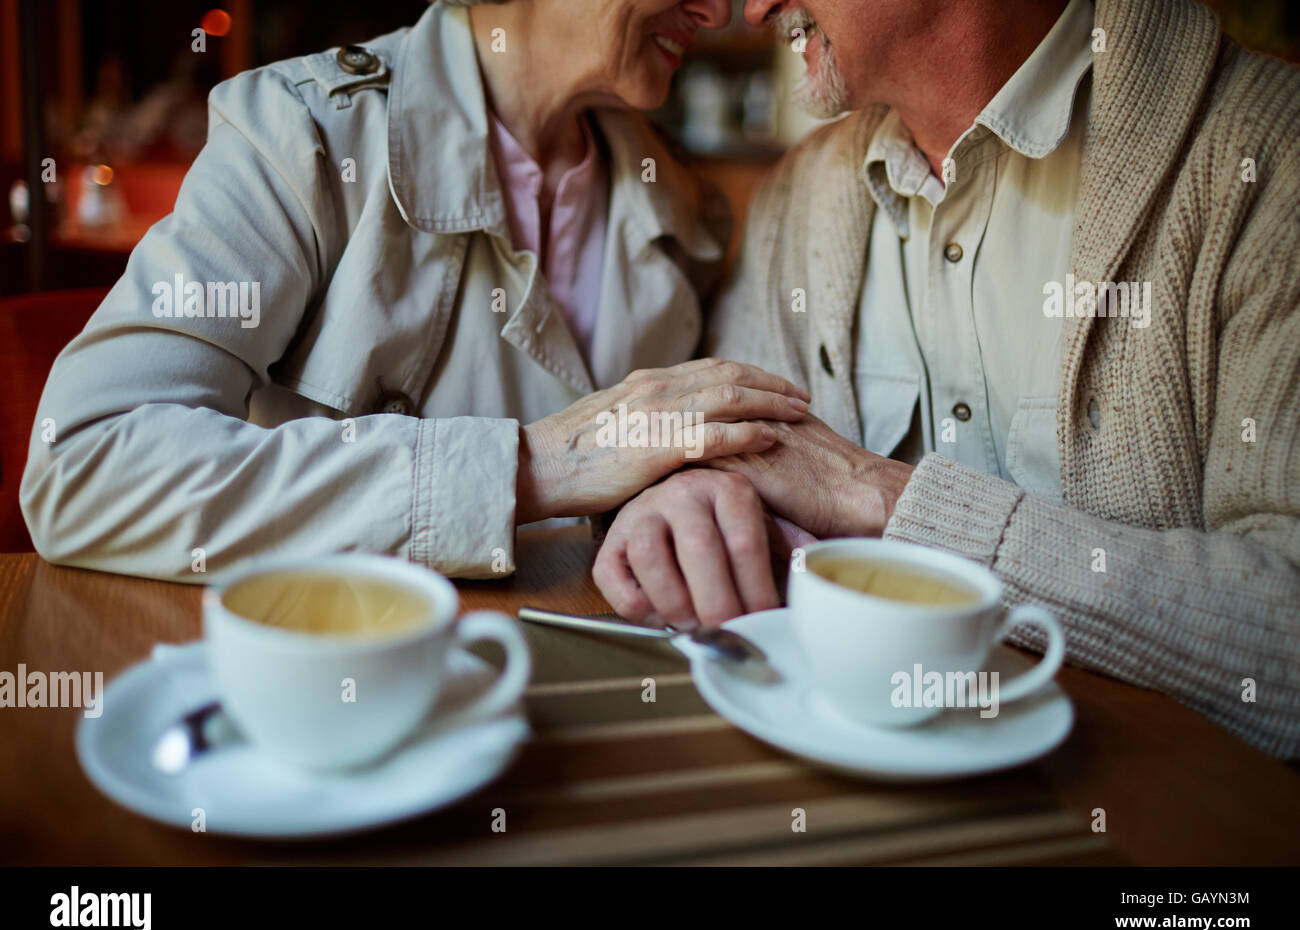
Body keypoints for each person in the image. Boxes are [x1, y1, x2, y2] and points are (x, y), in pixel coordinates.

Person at [594, 0, 1300, 758]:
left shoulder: (1270, 158)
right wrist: (689, 498)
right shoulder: (794, 198)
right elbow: (729, 453)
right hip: (850, 778)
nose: (757, 6)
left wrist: (880, 497)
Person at [21, 0, 811, 581]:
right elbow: (83, 459)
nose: (718, 11)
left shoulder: (687, 206)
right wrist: (533, 466)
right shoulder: (307, 136)